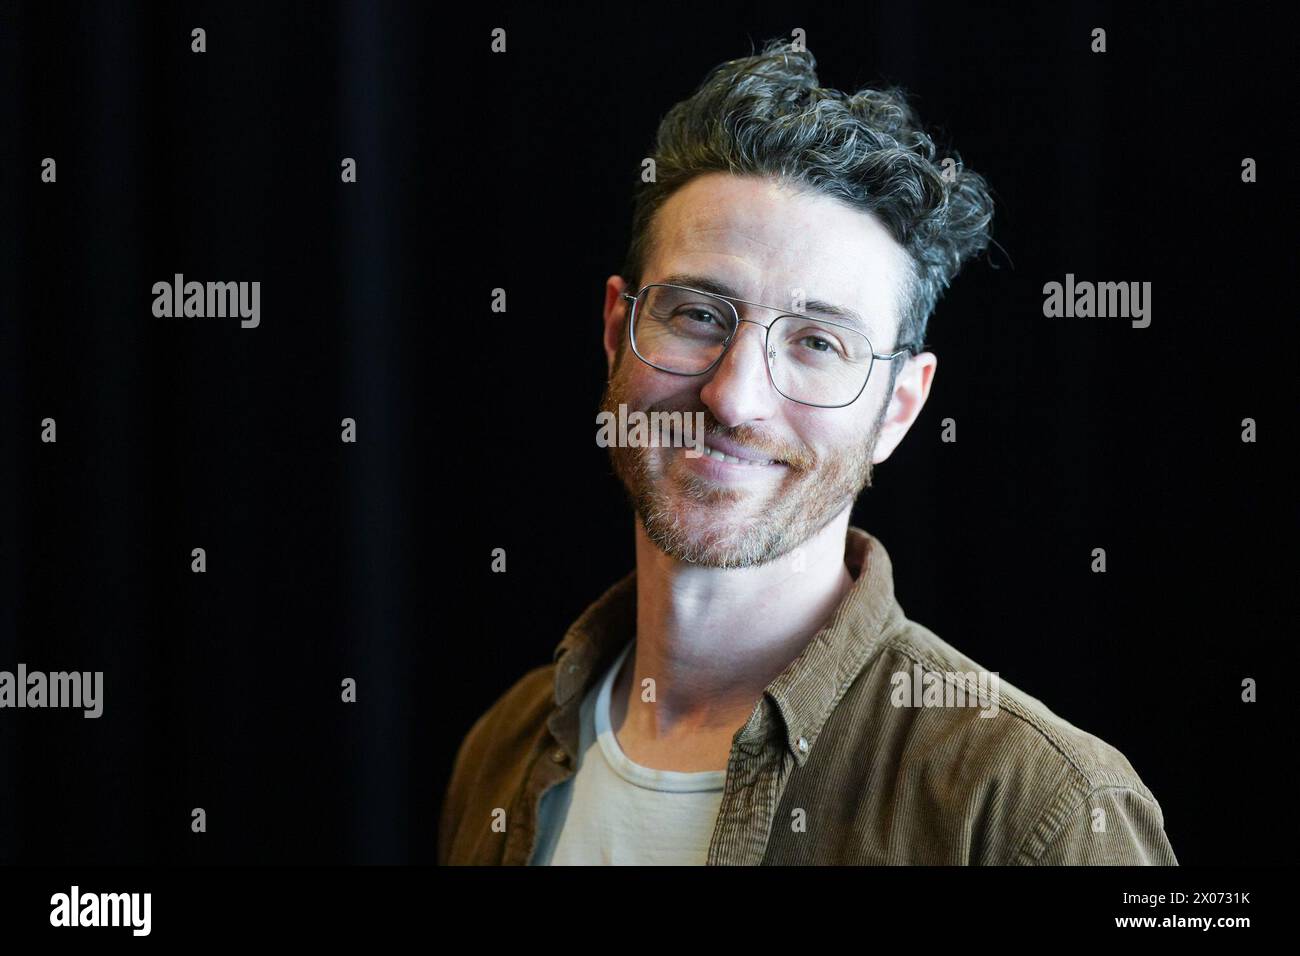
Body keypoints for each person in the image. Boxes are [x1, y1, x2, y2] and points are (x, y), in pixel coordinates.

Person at [438, 39, 1177, 866]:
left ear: (900, 408)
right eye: (698, 315)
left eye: (818, 343)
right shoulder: (502, 748)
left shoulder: (1037, 807)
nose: (732, 398)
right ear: (618, 332)